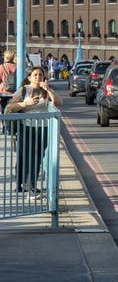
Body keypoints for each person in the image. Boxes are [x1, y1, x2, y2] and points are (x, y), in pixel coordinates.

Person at [6, 66, 62, 195]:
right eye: (35, 75)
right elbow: (10, 107)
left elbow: (58, 103)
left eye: (40, 75)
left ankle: (23, 184)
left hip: (43, 129)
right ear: (29, 77)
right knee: (30, 157)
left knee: (37, 156)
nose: (38, 77)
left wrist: (48, 90)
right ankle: (29, 186)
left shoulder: (46, 91)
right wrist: (25, 104)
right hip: (26, 128)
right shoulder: (23, 90)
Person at [0, 50, 18, 114]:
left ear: (6, 57)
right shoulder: (17, 67)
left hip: (4, 92)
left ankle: (5, 123)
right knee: (13, 110)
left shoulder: (2, 66)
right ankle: (11, 123)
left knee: (4, 110)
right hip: (15, 92)